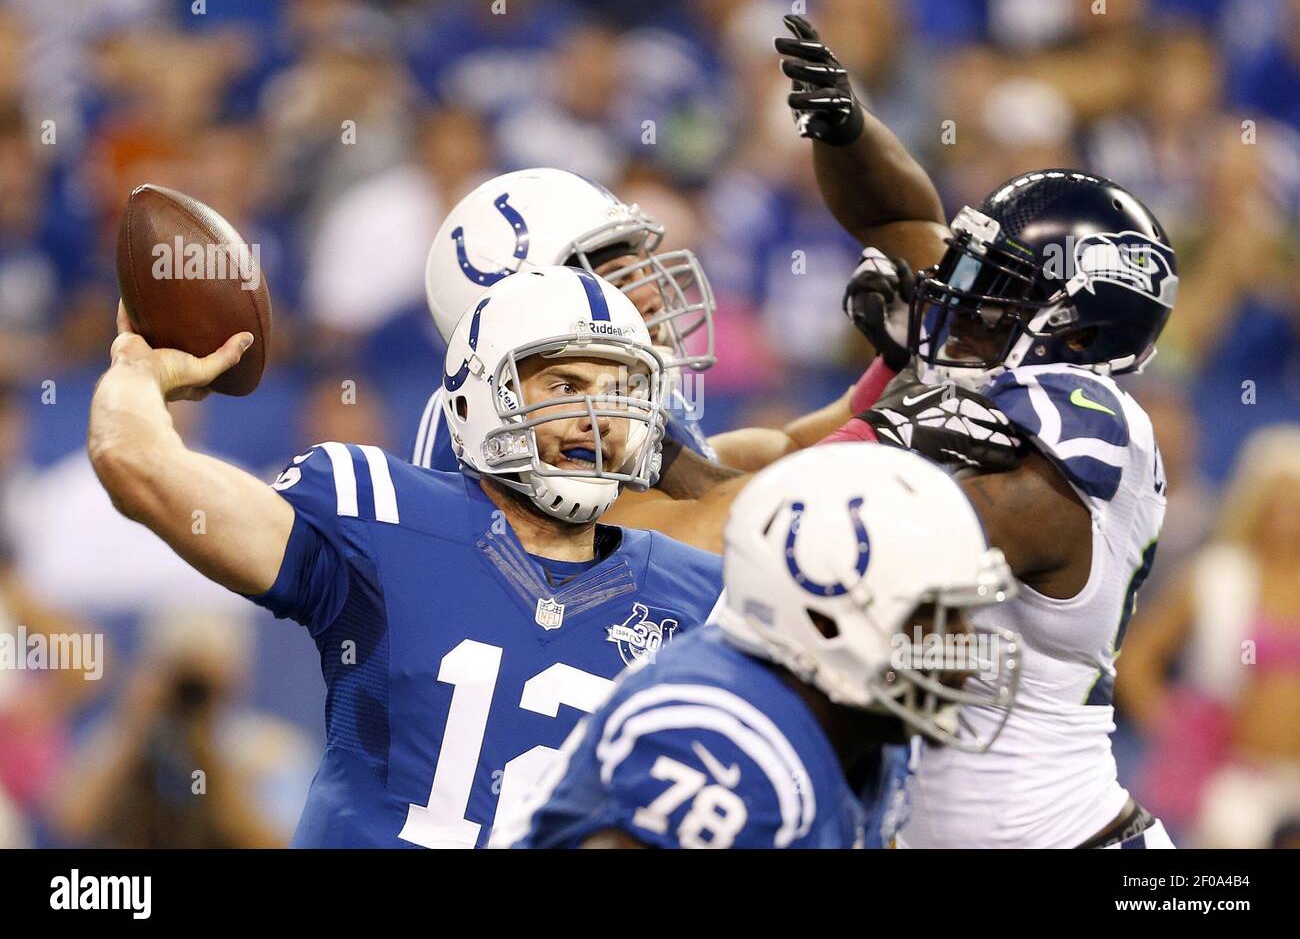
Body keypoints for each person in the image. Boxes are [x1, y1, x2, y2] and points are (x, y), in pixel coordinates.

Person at [87, 266, 725, 847]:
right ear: (482, 393)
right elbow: (138, 465)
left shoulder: (702, 597)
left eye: (619, 392)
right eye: (565, 384)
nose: (598, 417)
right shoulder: (379, 514)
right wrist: (139, 373)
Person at [779, 16, 1177, 848]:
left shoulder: (1084, 437)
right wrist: (849, 131)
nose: (951, 310)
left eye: (988, 298)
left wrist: (883, 416)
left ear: (1074, 329)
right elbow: (902, 221)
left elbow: (823, 535)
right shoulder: (985, 378)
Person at [498, 445, 1022, 849]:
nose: (961, 643)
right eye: (934, 616)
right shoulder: (721, 744)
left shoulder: (867, 718)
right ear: (822, 618)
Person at [415, 167, 904, 551]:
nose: (651, 295)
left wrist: (901, 362)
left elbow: (781, 452)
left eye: (642, 270)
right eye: (619, 284)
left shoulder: (612, 396)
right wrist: (881, 432)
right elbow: (719, 530)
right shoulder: (539, 424)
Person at [1118, 427, 1300, 848]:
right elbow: (1136, 657)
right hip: (1235, 780)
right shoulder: (1218, 575)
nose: (1287, 517)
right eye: (1279, 504)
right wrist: (1175, 728)